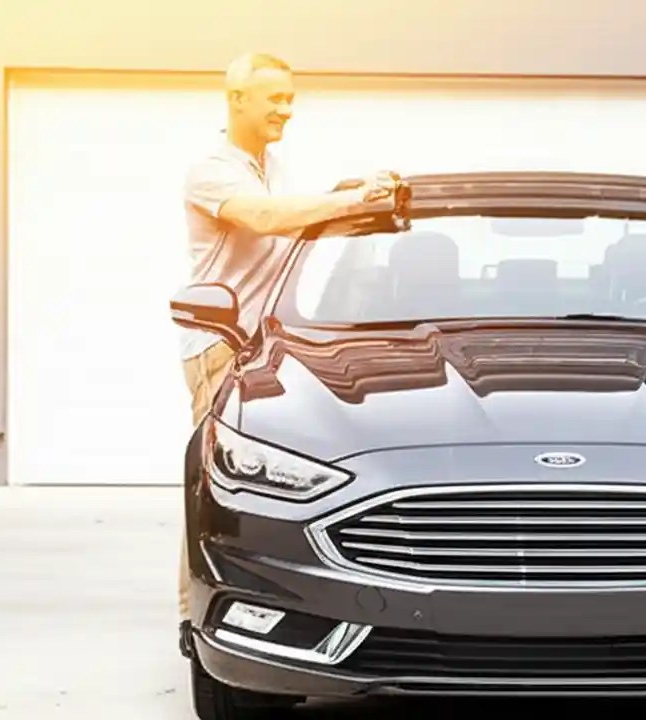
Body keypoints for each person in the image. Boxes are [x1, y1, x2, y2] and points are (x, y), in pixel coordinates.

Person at [177, 51, 397, 645]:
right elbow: (266, 218)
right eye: (275, 98)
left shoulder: (268, 164)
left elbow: (293, 217)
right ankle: (193, 619)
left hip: (269, 348)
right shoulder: (212, 169)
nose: (287, 109)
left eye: (291, 98)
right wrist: (350, 200)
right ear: (237, 99)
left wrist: (351, 194)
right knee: (214, 488)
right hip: (220, 343)